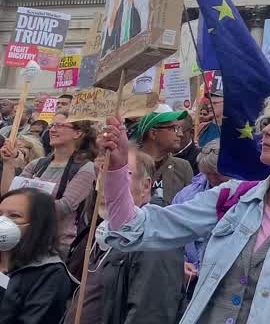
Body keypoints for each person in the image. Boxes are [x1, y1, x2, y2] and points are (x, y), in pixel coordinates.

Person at [97, 94, 270, 324]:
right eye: (267, 123)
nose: (267, 131)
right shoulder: (231, 197)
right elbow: (133, 229)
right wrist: (118, 168)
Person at [71, 147, 185, 324]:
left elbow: (150, 315)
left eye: (119, 176)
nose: (104, 185)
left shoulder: (154, 239)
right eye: (101, 175)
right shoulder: (106, 229)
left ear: (146, 186)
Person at [1, 113, 97, 259]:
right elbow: (9, 195)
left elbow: (64, 206)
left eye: (59, 125)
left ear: (78, 133)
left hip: (55, 248)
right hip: (23, 241)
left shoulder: (85, 168)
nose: (52, 130)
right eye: (52, 125)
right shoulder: (37, 164)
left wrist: (21, 208)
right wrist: (8, 163)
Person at [0, 188, 76, 324]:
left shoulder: (50, 273)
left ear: (38, 224)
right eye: (0, 214)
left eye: (14, 216)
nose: (3, 221)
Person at [171, 141, 227, 285]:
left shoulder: (246, 194)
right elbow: (172, 235)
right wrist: (179, 263)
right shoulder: (186, 196)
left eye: (217, 174)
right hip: (189, 280)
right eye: (207, 174)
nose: (213, 180)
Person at [133, 110, 193, 205]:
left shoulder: (183, 167)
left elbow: (189, 207)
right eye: (174, 128)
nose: (180, 134)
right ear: (153, 133)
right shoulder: (129, 165)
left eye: (180, 128)